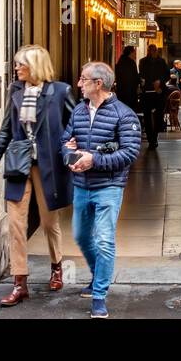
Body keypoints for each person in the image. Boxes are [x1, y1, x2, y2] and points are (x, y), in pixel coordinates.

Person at [0, 44, 76, 307]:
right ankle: (19, 283)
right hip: (19, 165)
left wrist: (74, 151)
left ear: (36, 66)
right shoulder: (16, 91)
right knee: (16, 225)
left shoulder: (60, 92)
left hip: (49, 166)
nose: (17, 68)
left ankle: (56, 266)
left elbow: (74, 126)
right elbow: (6, 129)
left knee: (48, 222)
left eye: (22, 64)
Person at [63, 60, 142, 318]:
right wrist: (69, 153)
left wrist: (93, 160)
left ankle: (99, 294)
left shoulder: (124, 115)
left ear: (98, 84)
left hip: (108, 186)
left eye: (83, 79)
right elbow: (65, 141)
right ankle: (99, 274)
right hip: (81, 185)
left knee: (104, 240)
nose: (78, 84)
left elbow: (129, 153)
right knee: (82, 236)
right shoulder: (78, 111)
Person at [139, 44, 170, 149]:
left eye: (154, 50)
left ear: (157, 51)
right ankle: (150, 139)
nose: (152, 52)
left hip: (159, 92)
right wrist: (149, 83)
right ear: (148, 50)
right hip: (147, 91)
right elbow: (142, 75)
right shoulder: (143, 61)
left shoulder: (161, 61)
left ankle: (154, 137)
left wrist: (159, 81)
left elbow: (167, 75)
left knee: (159, 115)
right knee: (147, 116)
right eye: (150, 50)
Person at [114, 45, 141, 113]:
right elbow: (134, 77)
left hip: (121, 91)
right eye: (134, 52)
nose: (135, 54)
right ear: (130, 52)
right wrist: (139, 82)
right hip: (130, 93)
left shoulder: (120, 61)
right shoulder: (131, 63)